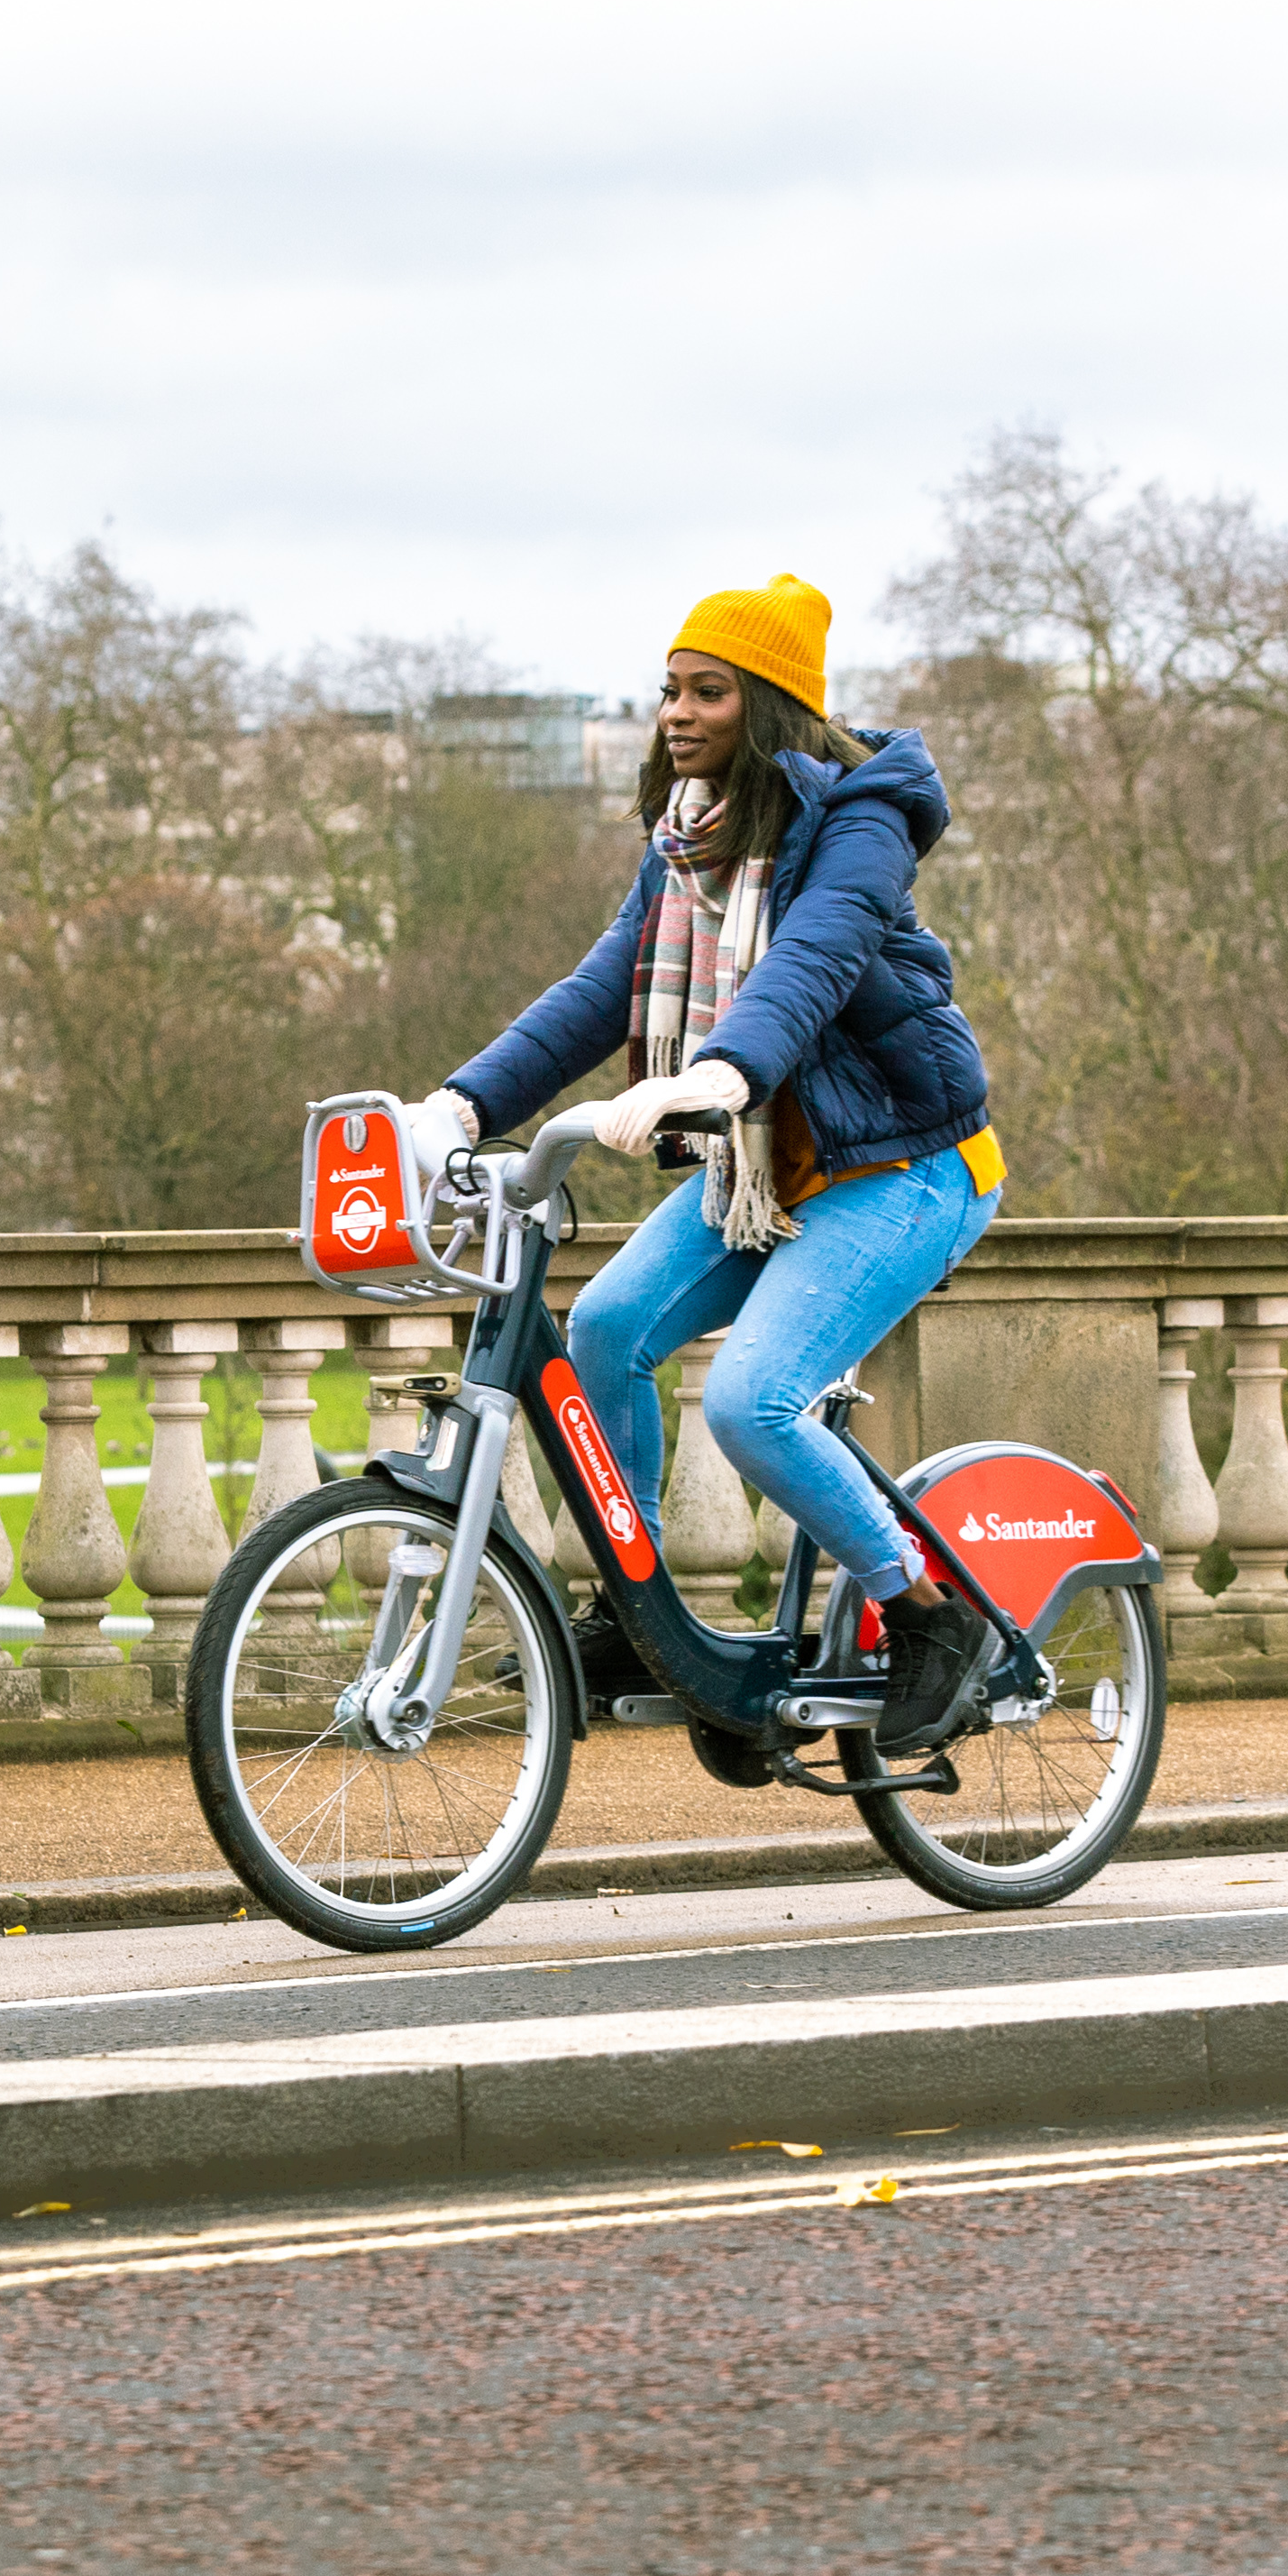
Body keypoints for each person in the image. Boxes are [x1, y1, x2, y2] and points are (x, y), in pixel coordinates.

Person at [412, 576, 1007, 1754]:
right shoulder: (686, 838)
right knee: (603, 1332)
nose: (676, 711)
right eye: (669, 688)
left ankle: (926, 1610)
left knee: (750, 1400)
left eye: (709, 690)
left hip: (905, 1171)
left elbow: (819, 957)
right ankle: (638, 1611)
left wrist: (724, 1071)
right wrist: (459, 1103)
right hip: (764, 1175)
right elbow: (600, 991)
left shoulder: (862, 819)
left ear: (771, 705)